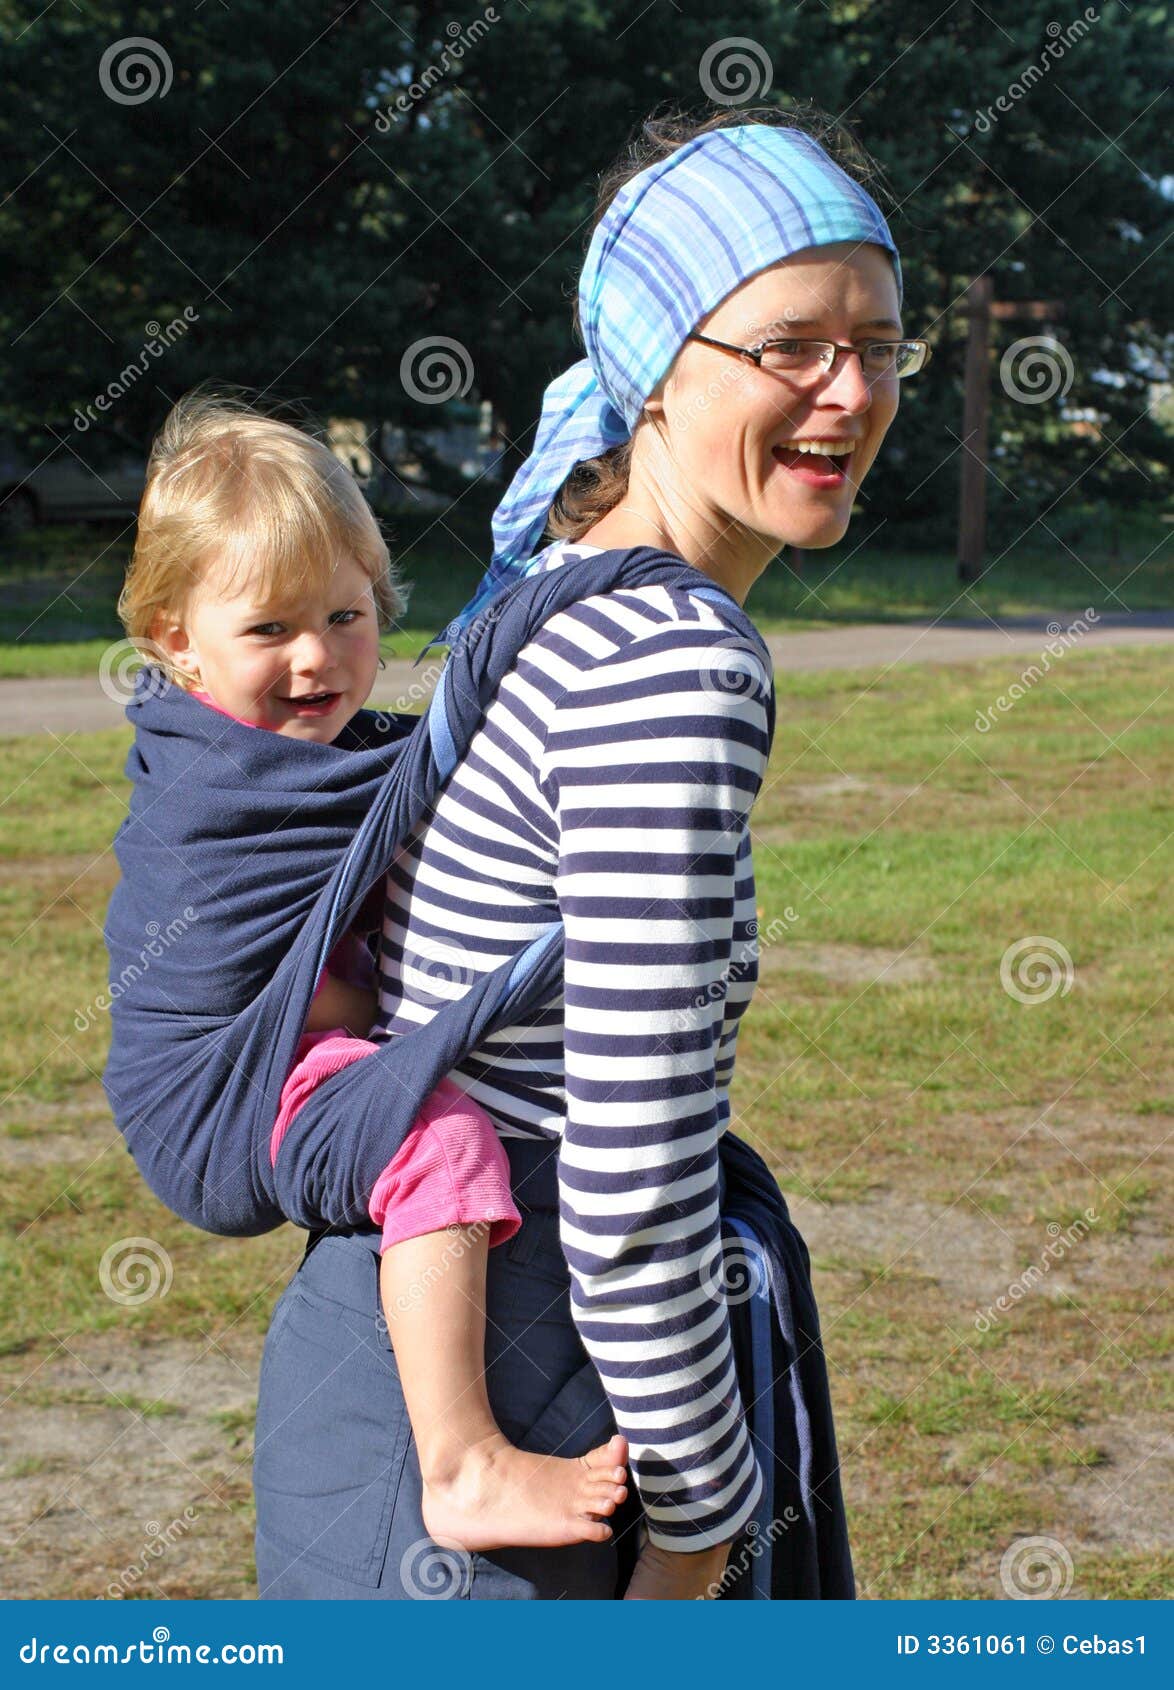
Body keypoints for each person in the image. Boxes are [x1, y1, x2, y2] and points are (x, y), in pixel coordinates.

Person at [250, 105, 928, 1600]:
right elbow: (626, 1176)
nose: (849, 391)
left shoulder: (554, 585)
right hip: (536, 1423)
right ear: (656, 368)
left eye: (880, 344)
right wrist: (696, 1521)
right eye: (788, 345)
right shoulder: (670, 658)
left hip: (393, 1349)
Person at [112, 393, 630, 1553]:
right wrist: (406, 1018)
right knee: (439, 1138)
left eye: (346, 615)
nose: (317, 657)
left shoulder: (326, 753)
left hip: (284, 1067)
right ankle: (461, 1461)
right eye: (270, 630)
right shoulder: (212, 790)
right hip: (217, 1101)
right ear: (173, 640)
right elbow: (258, 985)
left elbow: (439, 747)